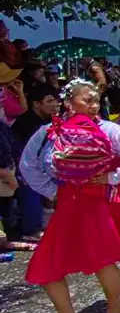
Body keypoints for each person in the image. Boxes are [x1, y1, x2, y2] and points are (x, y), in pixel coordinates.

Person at [20, 79, 120, 313]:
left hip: (92, 203)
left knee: (99, 259)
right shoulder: (50, 132)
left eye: (96, 100)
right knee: (53, 263)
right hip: (75, 204)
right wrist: (53, 191)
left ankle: (107, 310)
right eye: (87, 100)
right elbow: (28, 164)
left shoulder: (102, 129)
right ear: (68, 103)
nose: (94, 105)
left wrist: (115, 176)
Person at [9, 84, 58, 240]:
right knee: (32, 186)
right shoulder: (29, 123)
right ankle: (30, 230)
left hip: (38, 165)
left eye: (56, 100)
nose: (55, 104)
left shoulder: (46, 120)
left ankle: (49, 223)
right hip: (20, 168)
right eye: (50, 101)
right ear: (36, 103)